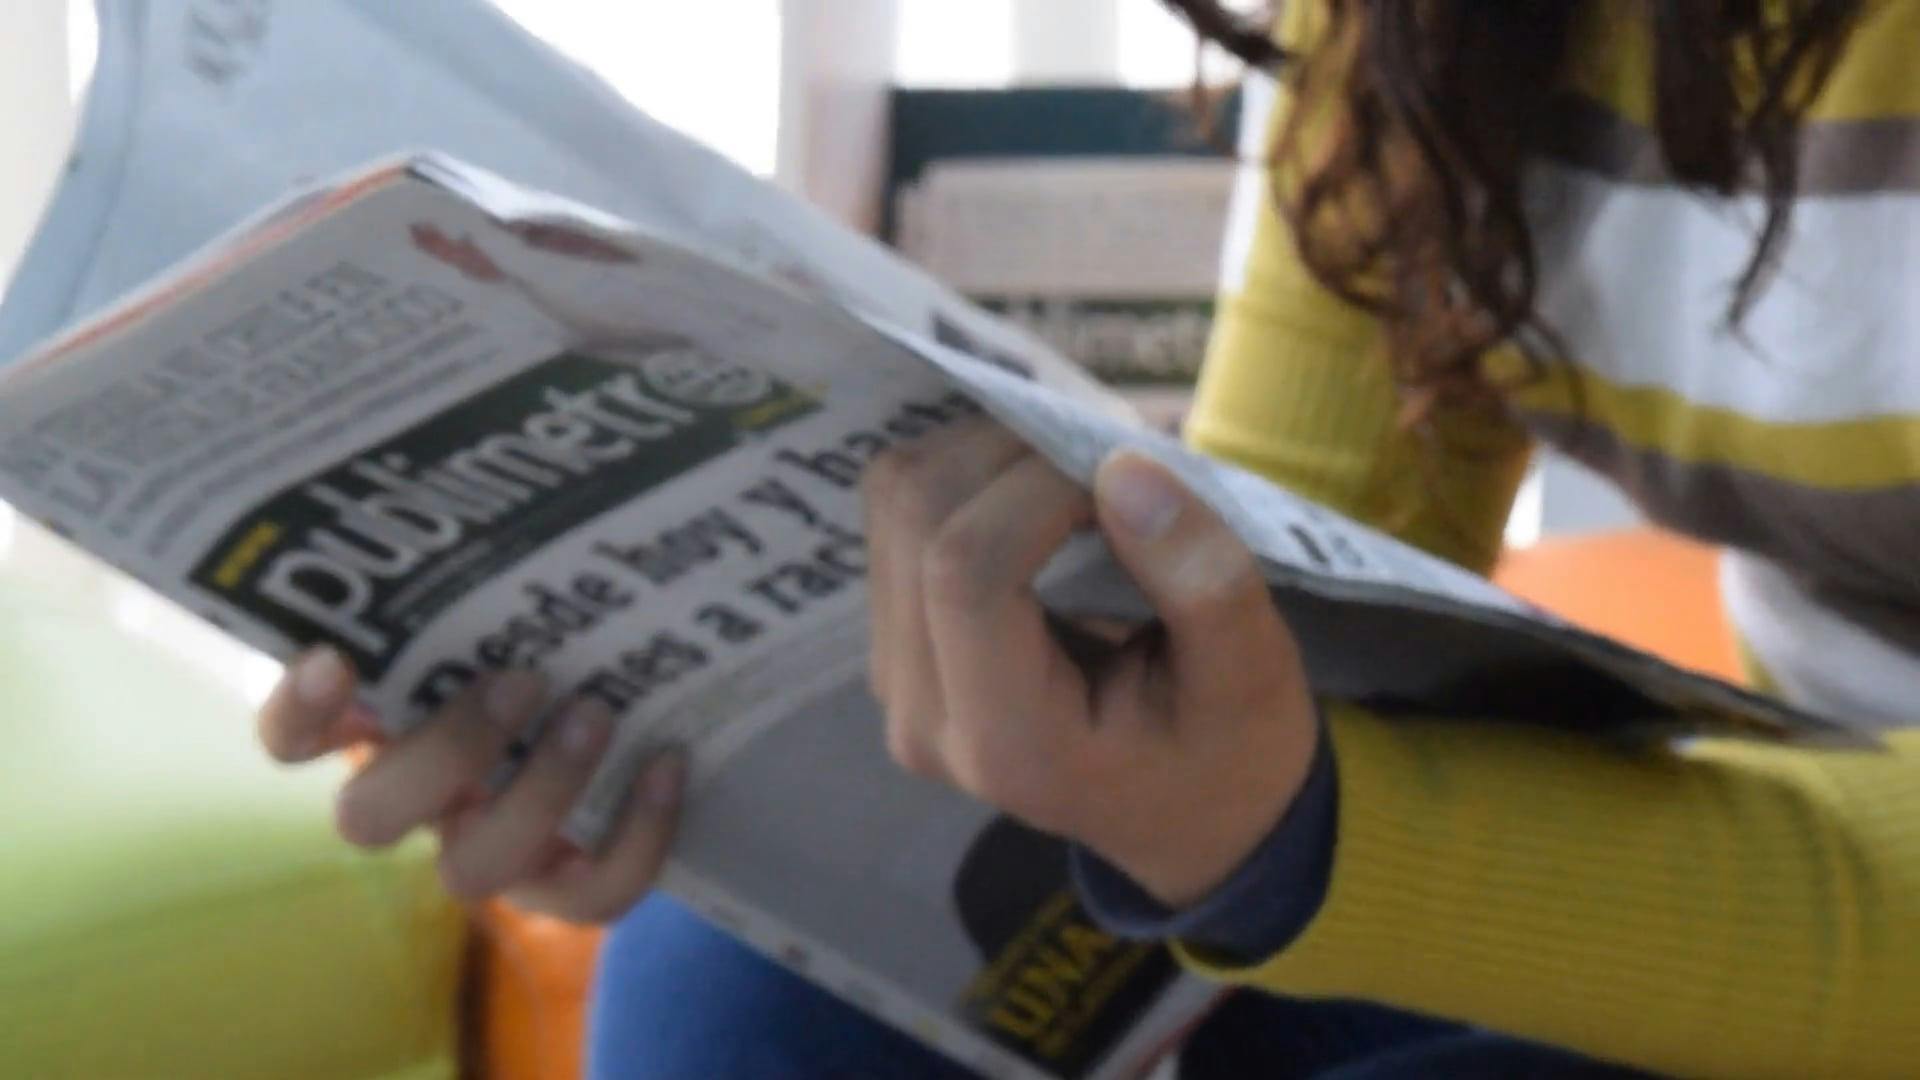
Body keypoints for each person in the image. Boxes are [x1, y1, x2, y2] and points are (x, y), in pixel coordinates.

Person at [256, 1, 1920, 1075]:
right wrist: (711, 766)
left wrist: (1295, 844)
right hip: (1818, 806)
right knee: (752, 982)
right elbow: (1305, 584)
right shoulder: (1433, 39)